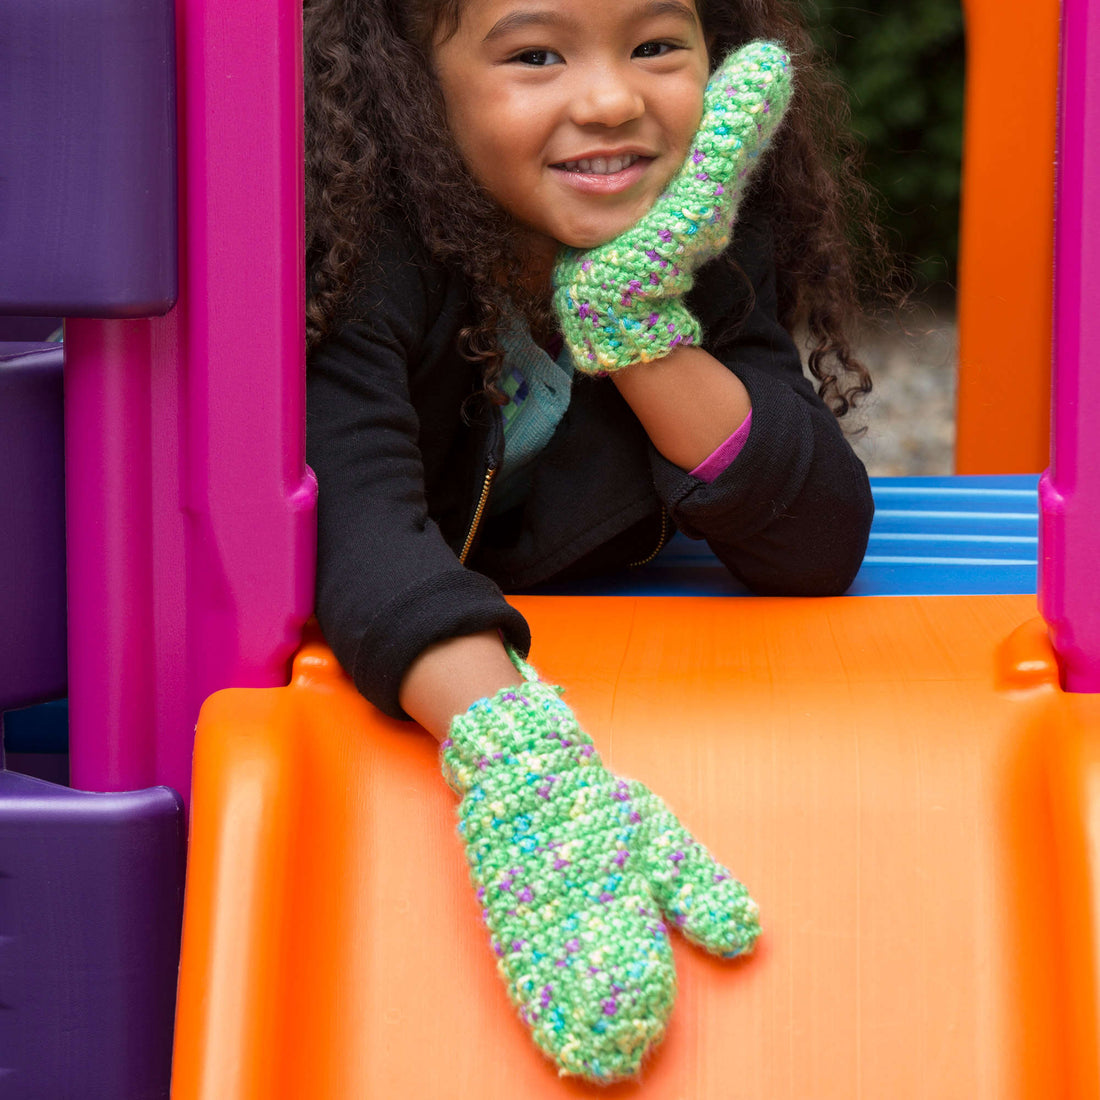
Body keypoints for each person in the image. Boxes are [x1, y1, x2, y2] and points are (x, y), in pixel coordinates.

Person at [304, 0, 879, 1082]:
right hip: (443, 680)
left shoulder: (688, 232)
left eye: (656, 47)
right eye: (534, 55)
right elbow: (353, 522)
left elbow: (814, 539)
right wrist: (521, 757)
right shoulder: (355, 245)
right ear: (415, 86)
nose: (610, 100)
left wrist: (637, 329)